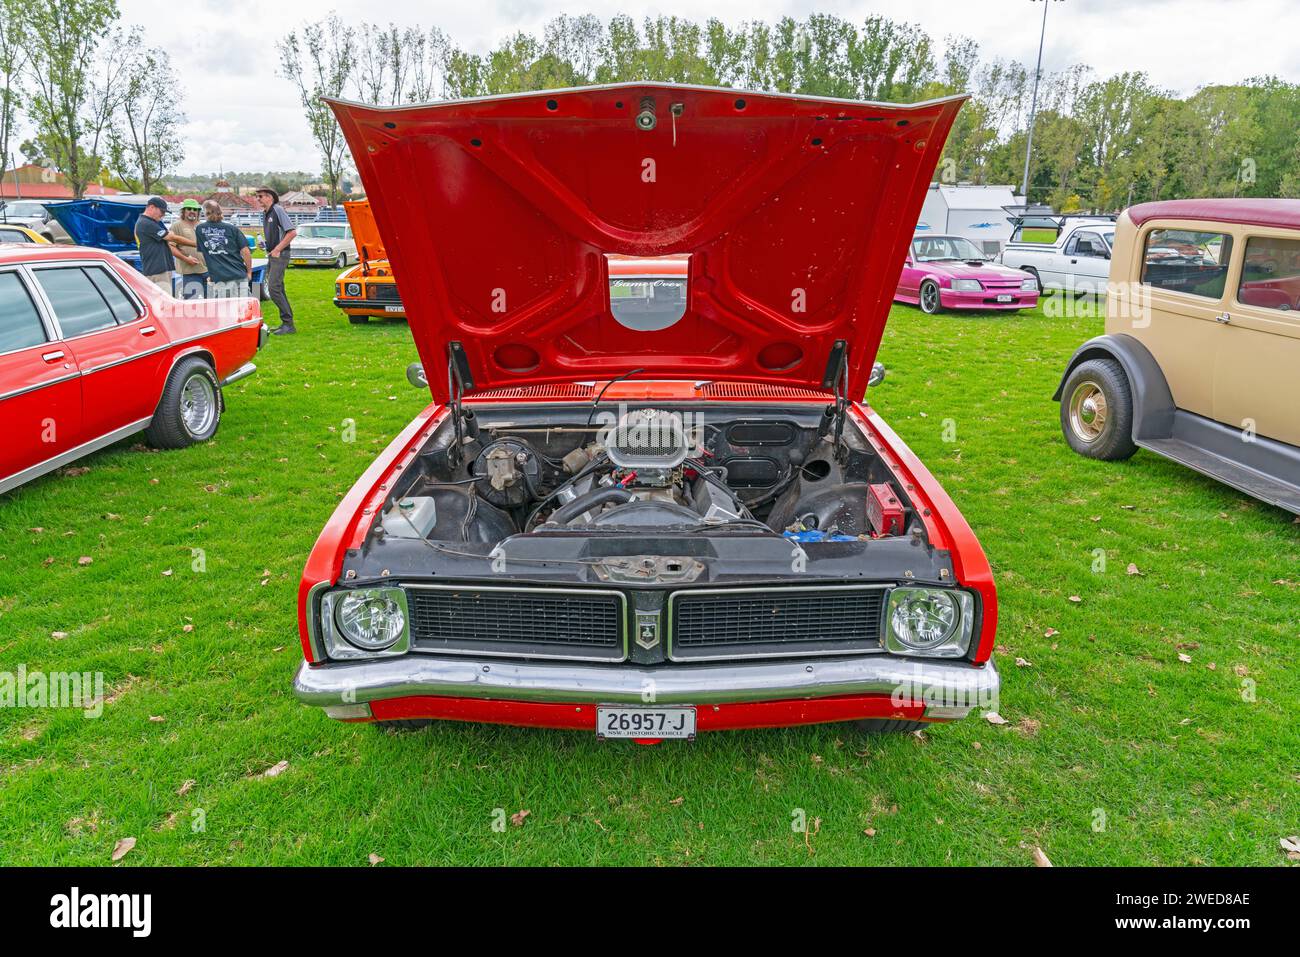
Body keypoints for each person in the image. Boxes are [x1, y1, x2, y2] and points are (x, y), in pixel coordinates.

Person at [134, 197, 198, 294]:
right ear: (152, 207)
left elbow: (168, 243)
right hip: (157, 271)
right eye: (162, 211)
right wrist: (197, 244)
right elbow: (172, 238)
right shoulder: (146, 223)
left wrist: (186, 256)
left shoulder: (152, 222)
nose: (163, 215)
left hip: (160, 270)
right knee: (165, 304)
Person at [256, 186, 297, 334]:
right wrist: (266, 245)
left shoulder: (277, 210)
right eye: (258, 196)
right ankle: (287, 323)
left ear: (270, 197)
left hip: (280, 255)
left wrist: (278, 249)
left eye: (261, 196)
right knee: (278, 288)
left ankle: (288, 324)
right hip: (273, 254)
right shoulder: (266, 213)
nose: (258, 199)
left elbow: (292, 232)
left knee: (273, 288)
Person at [194, 200, 253, 299]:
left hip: (220, 278)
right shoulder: (232, 228)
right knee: (243, 308)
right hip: (239, 274)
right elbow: (245, 251)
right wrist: (249, 272)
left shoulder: (200, 229)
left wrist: (211, 273)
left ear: (205, 212)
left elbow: (203, 255)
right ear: (220, 212)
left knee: (226, 310)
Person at [169, 199, 208, 299]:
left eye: (195, 209)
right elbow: (171, 247)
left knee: (212, 302)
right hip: (190, 272)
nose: (192, 211)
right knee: (191, 303)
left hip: (208, 270)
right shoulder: (176, 226)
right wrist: (186, 259)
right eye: (189, 209)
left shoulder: (203, 225)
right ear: (184, 211)